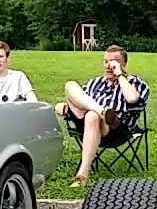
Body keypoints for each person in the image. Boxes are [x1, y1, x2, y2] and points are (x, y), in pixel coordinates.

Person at [56, 45, 150, 187]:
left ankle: (82, 174)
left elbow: (131, 98)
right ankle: (102, 112)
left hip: (116, 129)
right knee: (70, 86)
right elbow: (80, 100)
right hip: (86, 124)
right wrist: (64, 106)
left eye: (113, 62)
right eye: (105, 61)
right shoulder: (95, 83)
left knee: (92, 116)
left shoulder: (135, 82)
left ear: (122, 64)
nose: (108, 66)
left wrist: (119, 75)